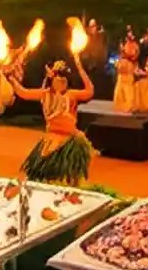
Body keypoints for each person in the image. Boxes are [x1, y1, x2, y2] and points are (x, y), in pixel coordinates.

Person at [7, 55, 95, 185]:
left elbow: (89, 91)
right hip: (51, 139)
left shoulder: (71, 95)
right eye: (58, 81)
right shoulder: (45, 94)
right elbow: (23, 93)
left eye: (64, 81)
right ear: (52, 80)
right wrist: (10, 78)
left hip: (70, 140)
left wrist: (79, 67)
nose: (60, 84)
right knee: (45, 173)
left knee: (70, 176)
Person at [113, 37, 140, 113]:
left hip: (128, 78)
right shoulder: (123, 57)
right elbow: (119, 67)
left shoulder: (134, 46)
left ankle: (128, 107)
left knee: (128, 94)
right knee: (119, 93)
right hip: (121, 78)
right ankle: (121, 106)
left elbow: (135, 54)